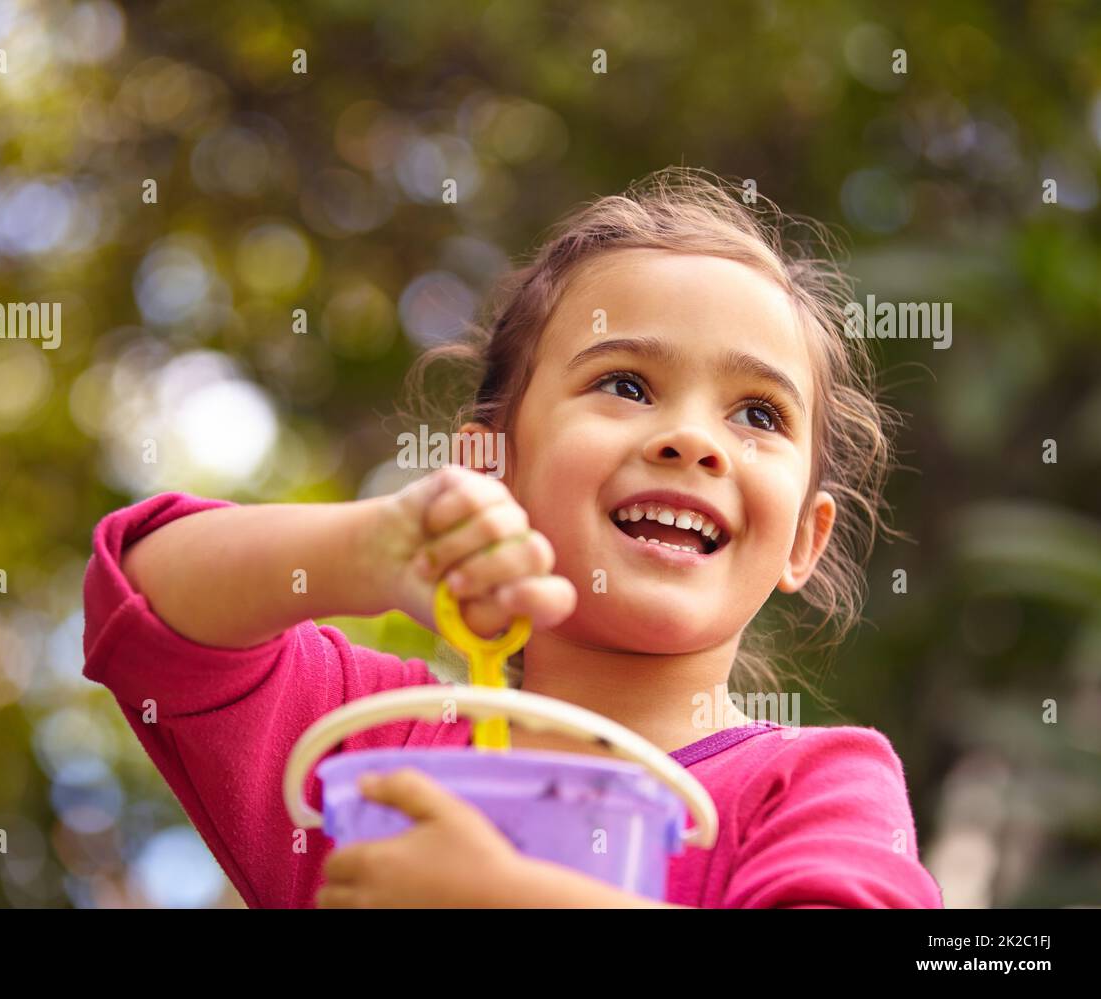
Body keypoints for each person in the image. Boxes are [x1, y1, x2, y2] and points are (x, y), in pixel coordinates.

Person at [81, 167, 945, 908]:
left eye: (757, 412)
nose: (693, 440)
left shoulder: (817, 789)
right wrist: (364, 551)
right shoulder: (379, 747)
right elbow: (145, 597)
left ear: (806, 536)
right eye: (626, 384)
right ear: (489, 467)